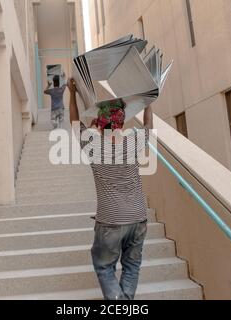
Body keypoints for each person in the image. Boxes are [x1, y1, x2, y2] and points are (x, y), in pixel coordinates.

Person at [67, 78, 154, 300]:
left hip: (111, 220)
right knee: (132, 266)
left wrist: (73, 92)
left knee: (105, 267)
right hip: (138, 217)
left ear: (99, 123)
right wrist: (148, 100)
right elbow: (149, 126)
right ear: (121, 124)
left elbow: (75, 123)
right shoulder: (132, 143)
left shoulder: (93, 146)